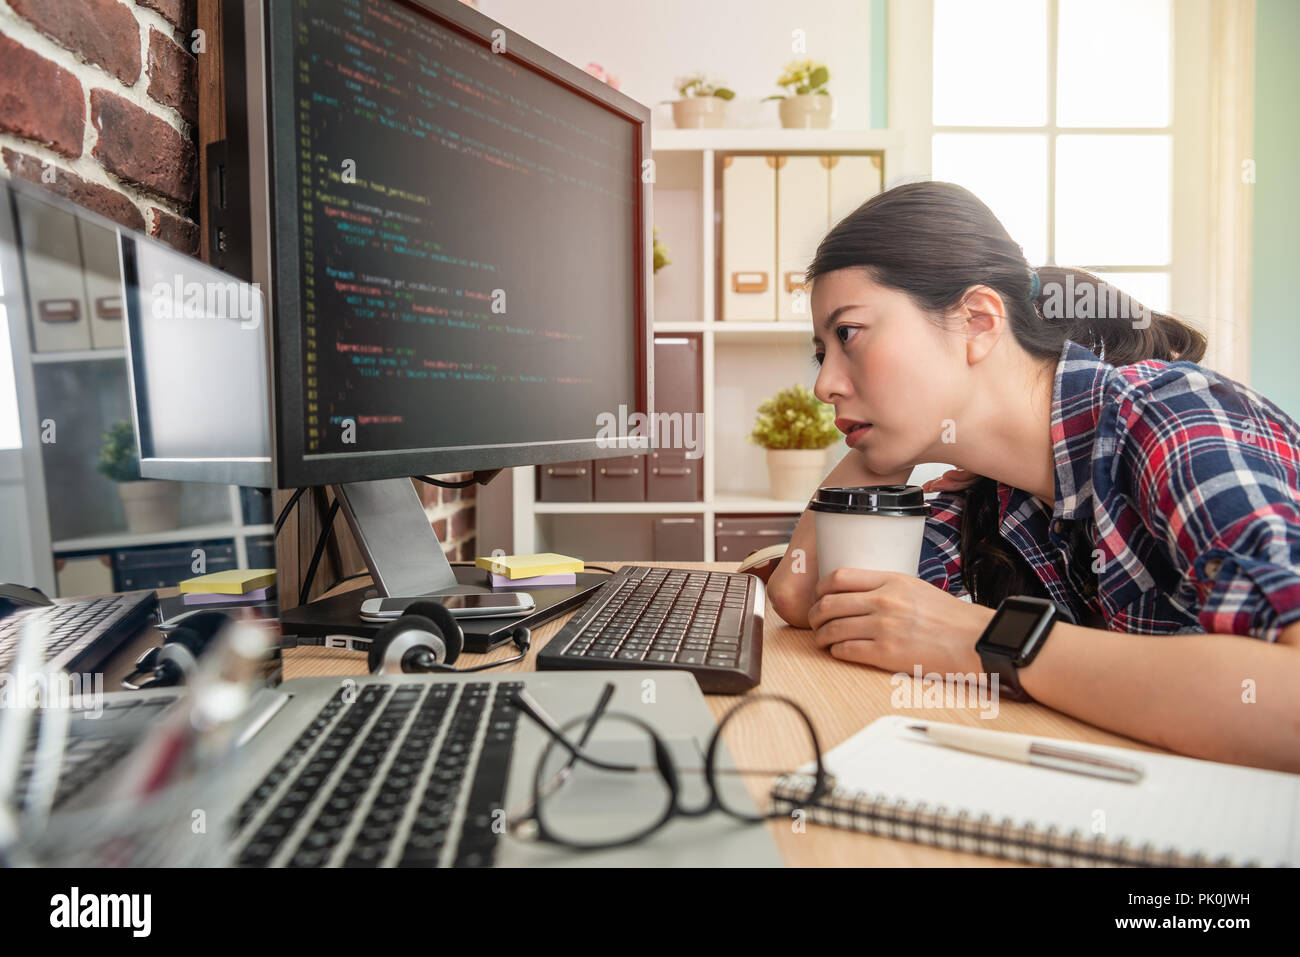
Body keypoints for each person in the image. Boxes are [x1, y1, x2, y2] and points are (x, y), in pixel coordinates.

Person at [766, 181, 1300, 773]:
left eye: (848, 335)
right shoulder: (1000, 493)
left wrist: (979, 640)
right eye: (822, 354)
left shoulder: (1178, 422)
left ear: (976, 320)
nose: (823, 386)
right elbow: (808, 593)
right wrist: (883, 447)